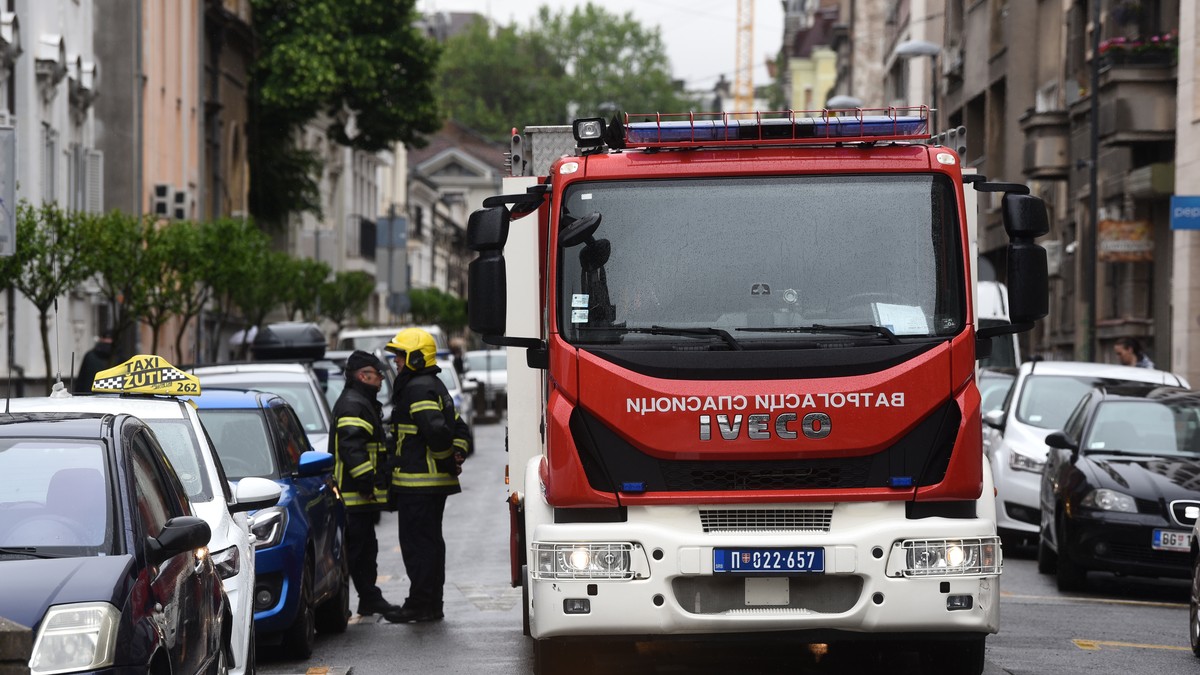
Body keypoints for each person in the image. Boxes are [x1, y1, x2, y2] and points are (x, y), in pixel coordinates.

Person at [382, 327, 471, 623]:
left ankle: (420, 603)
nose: (395, 362)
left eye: (400, 356)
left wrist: (448, 459)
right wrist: (457, 454)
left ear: (415, 358)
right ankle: (432, 603)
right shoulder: (434, 385)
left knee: (418, 545)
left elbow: (435, 430)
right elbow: (459, 428)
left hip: (418, 484)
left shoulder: (417, 387)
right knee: (431, 544)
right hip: (429, 485)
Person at [330, 350, 399, 617]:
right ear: (362, 375)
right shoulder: (354, 404)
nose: (382, 379)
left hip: (359, 496)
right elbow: (352, 448)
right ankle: (368, 597)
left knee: (365, 548)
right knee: (360, 551)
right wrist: (366, 482)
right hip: (355, 495)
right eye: (377, 374)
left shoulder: (360, 401)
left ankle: (367, 598)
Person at [74, 329, 114, 393]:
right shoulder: (119, 357)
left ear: (101, 339)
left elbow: (81, 381)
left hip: (90, 397)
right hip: (113, 398)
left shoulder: (90, 356)